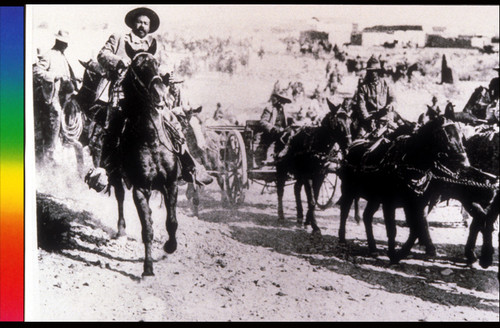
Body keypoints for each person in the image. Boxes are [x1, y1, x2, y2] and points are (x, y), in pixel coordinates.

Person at [96, 7, 212, 186]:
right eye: (139, 22)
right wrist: (119, 61)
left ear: (150, 27)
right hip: (123, 94)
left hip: (150, 98)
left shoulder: (155, 45)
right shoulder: (119, 39)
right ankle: (103, 171)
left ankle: (189, 165)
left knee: (173, 123)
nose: (142, 26)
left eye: (146, 23)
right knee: (114, 126)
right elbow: (102, 55)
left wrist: (167, 75)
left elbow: (164, 66)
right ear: (133, 23)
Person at [33, 30, 77, 164]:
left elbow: (66, 75)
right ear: (58, 42)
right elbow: (35, 71)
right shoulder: (49, 55)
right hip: (53, 96)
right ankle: (49, 156)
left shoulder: (63, 57)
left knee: (67, 120)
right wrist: (53, 76)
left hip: (64, 97)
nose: (65, 46)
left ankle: (58, 153)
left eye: (66, 43)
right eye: (63, 43)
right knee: (55, 118)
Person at [354, 54, 397, 138]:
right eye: (370, 71)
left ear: (378, 71)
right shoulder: (363, 86)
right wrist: (367, 119)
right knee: (358, 140)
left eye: (375, 71)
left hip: (386, 117)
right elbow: (361, 105)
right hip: (369, 118)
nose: (373, 73)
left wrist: (391, 105)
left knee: (399, 135)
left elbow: (393, 98)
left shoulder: (385, 83)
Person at [255, 91, 292, 167]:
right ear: (278, 101)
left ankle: (284, 160)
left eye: (285, 102)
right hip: (270, 133)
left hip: (281, 132)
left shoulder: (284, 110)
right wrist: (272, 128)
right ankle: (269, 160)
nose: (283, 104)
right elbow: (263, 121)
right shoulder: (269, 109)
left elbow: (288, 121)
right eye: (282, 101)